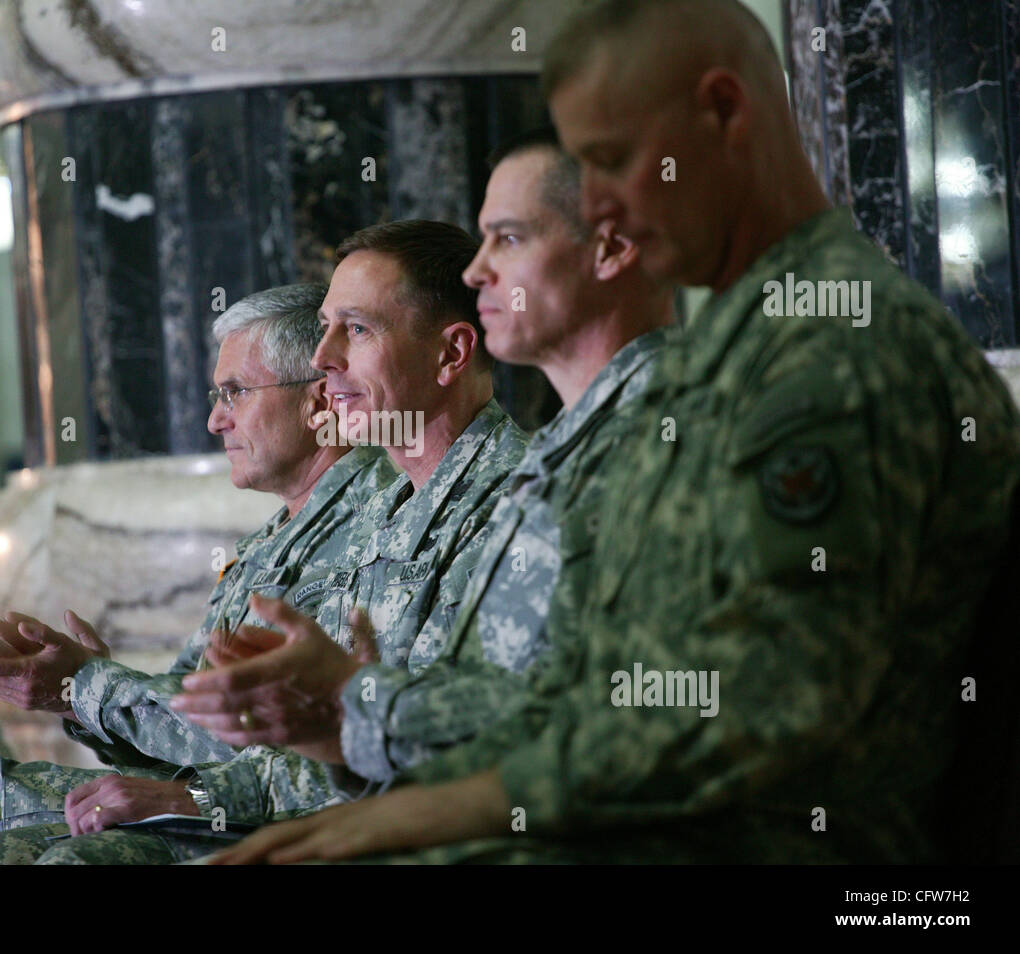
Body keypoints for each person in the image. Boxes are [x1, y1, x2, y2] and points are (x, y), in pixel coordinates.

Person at [214, 0, 1020, 865]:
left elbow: (743, 719)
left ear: (722, 112)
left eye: (611, 160)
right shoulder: (730, 355)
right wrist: (374, 761)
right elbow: (591, 695)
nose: (597, 206)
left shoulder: (828, 359)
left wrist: (427, 807)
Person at [0, 219, 531, 863]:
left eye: (357, 330)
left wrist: (191, 791)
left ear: (451, 354)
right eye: (329, 326)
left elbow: (453, 750)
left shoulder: (517, 508)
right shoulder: (392, 507)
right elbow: (296, 731)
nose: (323, 358)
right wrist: (87, 696)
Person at [0, 282, 395, 864]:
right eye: (216, 397)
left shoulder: (377, 533)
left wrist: (91, 687)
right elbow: (191, 704)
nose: (216, 420)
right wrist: (78, 696)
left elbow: (279, 737)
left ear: (317, 401)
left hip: (248, 814)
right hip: (191, 796)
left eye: (235, 392)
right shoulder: (269, 542)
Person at [171, 129, 675, 802]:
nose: (477, 272)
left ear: (609, 249)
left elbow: (601, 728)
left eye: (509, 239)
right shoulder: (557, 459)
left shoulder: (659, 437)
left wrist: (352, 705)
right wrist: (335, 728)